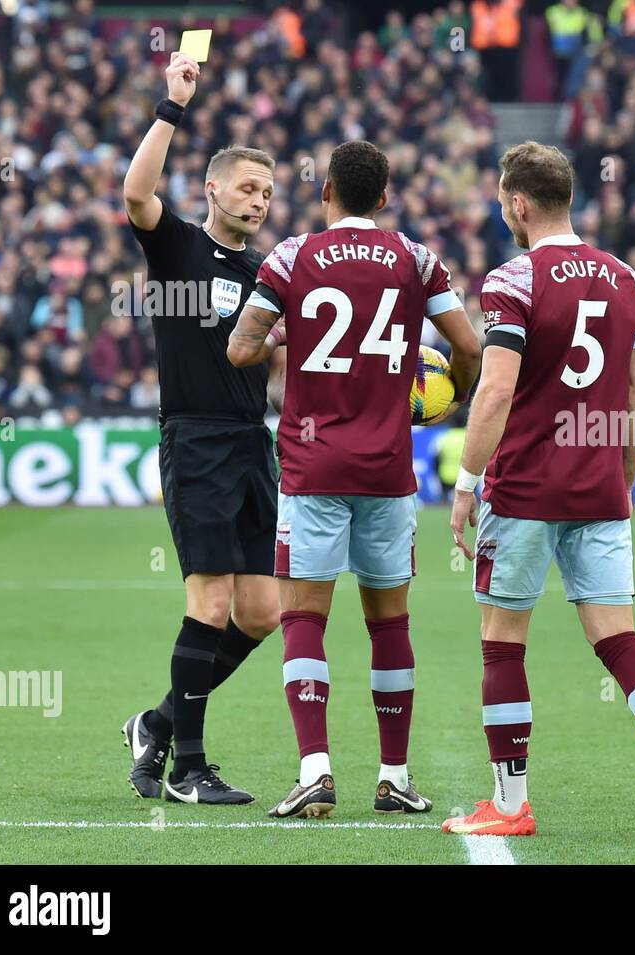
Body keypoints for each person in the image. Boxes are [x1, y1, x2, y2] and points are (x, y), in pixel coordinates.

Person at [444, 142, 635, 839]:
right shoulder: (627, 280)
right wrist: (623, 478)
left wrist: (467, 482)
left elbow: (497, 387)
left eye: (505, 199)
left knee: (502, 642)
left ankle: (509, 804)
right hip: (598, 486)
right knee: (620, 640)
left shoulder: (512, 279)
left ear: (520, 203)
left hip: (527, 485)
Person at [226, 140, 481, 819]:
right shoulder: (416, 259)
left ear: (326, 192)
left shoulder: (291, 257)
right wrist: (450, 397)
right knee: (389, 622)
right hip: (388, 467)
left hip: (313, 465)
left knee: (304, 616)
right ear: (386, 196)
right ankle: (394, 775)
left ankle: (316, 769)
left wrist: (285, 336)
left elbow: (241, 347)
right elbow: (473, 345)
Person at [120, 51, 286, 805]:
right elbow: (134, 191)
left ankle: (154, 722)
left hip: (253, 443)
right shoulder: (178, 245)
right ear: (213, 188)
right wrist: (172, 105)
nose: (260, 201)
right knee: (209, 602)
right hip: (195, 441)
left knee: (262, 612)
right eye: (249, 187)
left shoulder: (268, 276)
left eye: (270, 192)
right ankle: (188, 766)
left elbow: (267, 353)